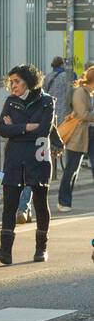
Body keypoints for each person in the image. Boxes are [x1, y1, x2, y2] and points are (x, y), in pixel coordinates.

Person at [0, 65, 54, 265]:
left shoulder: (46, 101)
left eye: (17, 81)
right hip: (15, 159)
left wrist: (14, 127)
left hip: (38, 158)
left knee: (40, 203)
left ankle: (41, 248)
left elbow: (42, 130)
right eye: (11, 82)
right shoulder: (11, 101)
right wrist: (25, 127)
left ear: (28, 81)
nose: (13, 85)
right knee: (9, 206)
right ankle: (5, 251)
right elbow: (3, 130)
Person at [57, 65, 94, 211]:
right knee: (71, 169)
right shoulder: (80, 92)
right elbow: (82, 114)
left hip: (91, 134)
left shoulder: (91, 94)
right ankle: (63, 202)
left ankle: (65, 201)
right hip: (78, 136)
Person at [44, 56, 76, 183]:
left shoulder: (48, 77)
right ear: (62, 64)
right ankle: (64, 164)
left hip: (51, 112)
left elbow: (44, 93)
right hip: (65, 111)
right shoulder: (67, 76)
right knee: (65, 137)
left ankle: (54, 165)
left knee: (53, 139)